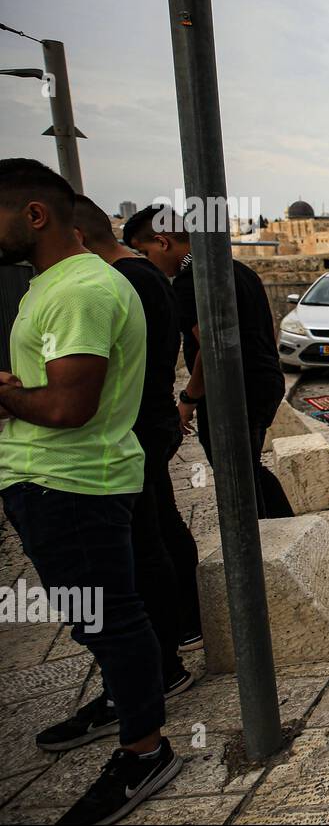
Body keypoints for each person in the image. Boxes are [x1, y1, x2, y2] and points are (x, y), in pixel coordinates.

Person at [0, 158, 181, 824]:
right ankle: (127, 706)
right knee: (101, 614)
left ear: (35, 214)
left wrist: (11, 397)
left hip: (70, 480)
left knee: (110, 614)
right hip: (59, 479)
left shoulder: (79, 290)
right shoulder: (59, 285)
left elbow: (71, 404)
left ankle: (143, 747)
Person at [63, 197, 195, 697]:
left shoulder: (128, 281)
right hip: (147, 421)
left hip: (135, 426)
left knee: (145, 544)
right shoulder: (149, 279)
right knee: (157, 531)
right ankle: (177, 635)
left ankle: (161, 662)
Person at [124, 206, 293, 526]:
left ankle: (256, 546)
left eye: (144, 252)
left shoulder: (190, 282)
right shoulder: (237, 269)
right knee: (249, 468)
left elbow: (213, 348)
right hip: (263, 383)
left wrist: (188, 400)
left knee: (237, 477)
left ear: (162, 242)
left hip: (233, 393)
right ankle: (282, 527)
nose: (148, 263)